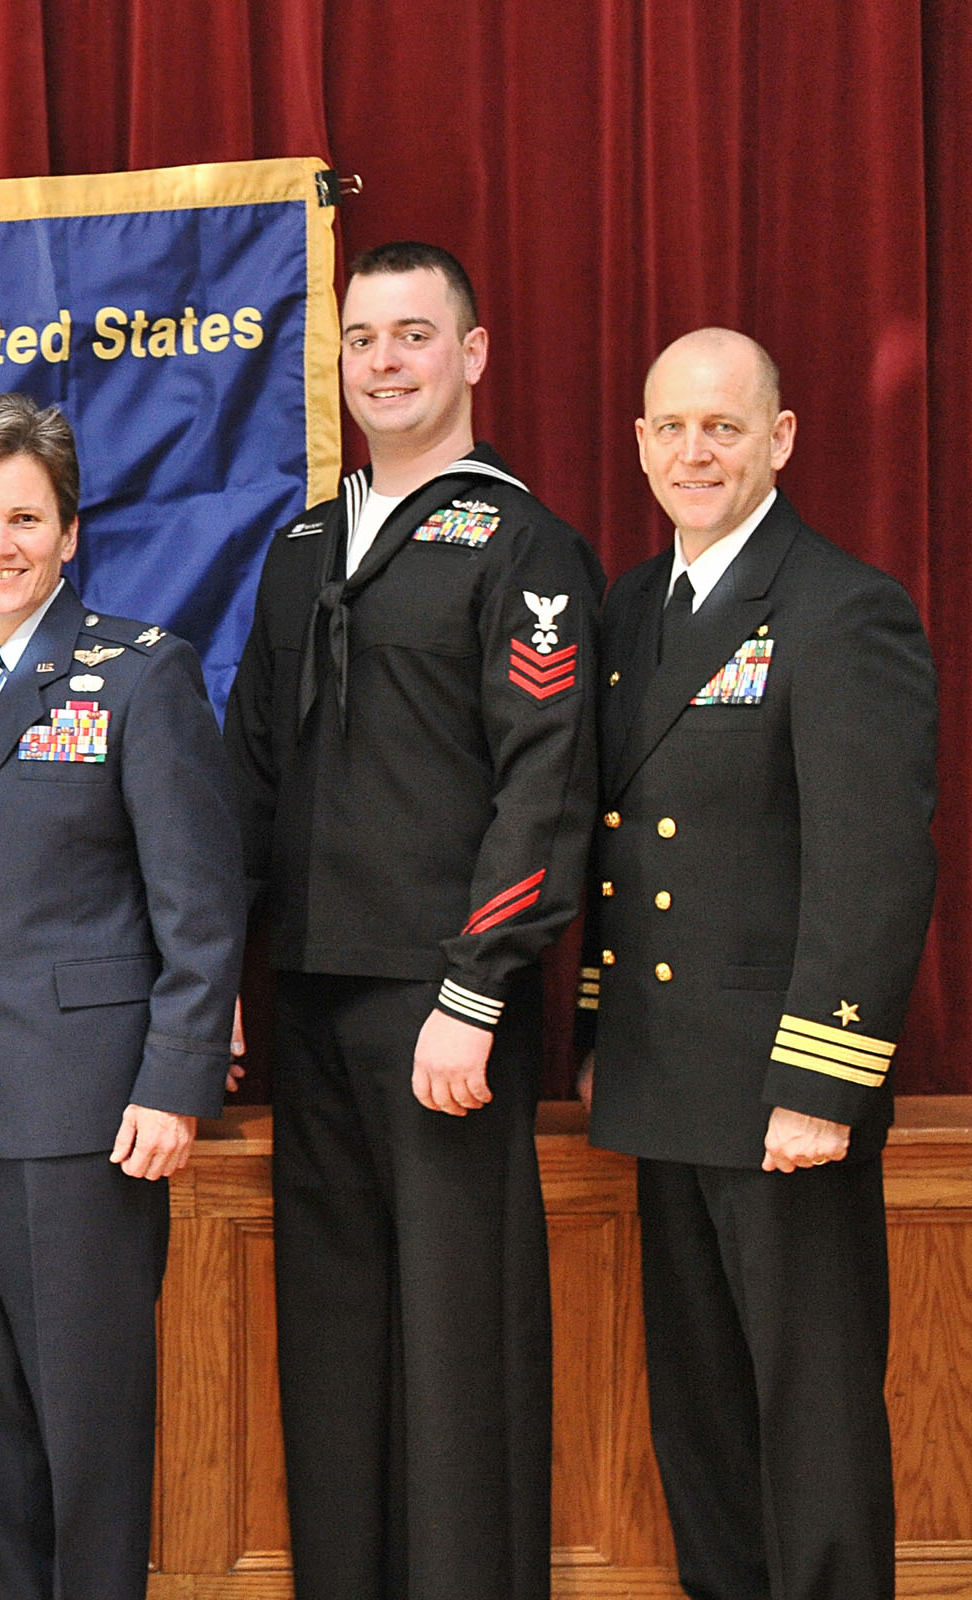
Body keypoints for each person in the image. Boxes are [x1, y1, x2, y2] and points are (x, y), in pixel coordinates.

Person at [221, 241, 604, 1598]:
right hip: (313, 997)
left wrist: (479, 988)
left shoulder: (522, 542)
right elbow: (251, 772)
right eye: (363, 337)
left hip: (444, 1015)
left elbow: (545, 786)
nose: (385, 361)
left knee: (456, 1349)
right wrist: (221, 976)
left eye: (414, 335)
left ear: (472, 355)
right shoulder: (305, 546)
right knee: (333, 1341)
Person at [0, 393, 245, 1600]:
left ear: (70, 532)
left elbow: (199, 904)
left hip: (86, 1114)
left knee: (87, 1427)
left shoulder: (141, 674)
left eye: (24, 517)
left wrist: (176, 1084)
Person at [577, 328, 934, 1600]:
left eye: (723, 426)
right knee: (706, 1421)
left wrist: (824, 1082)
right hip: (669, 1079)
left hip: (784, 1092)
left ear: (779, 439)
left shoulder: (842, 607)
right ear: (638, 445)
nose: (694, 451)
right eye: (670, 427)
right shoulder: (630, 608)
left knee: (814, 1418)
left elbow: (875, 868)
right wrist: (597, 1026)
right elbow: (623, 844)